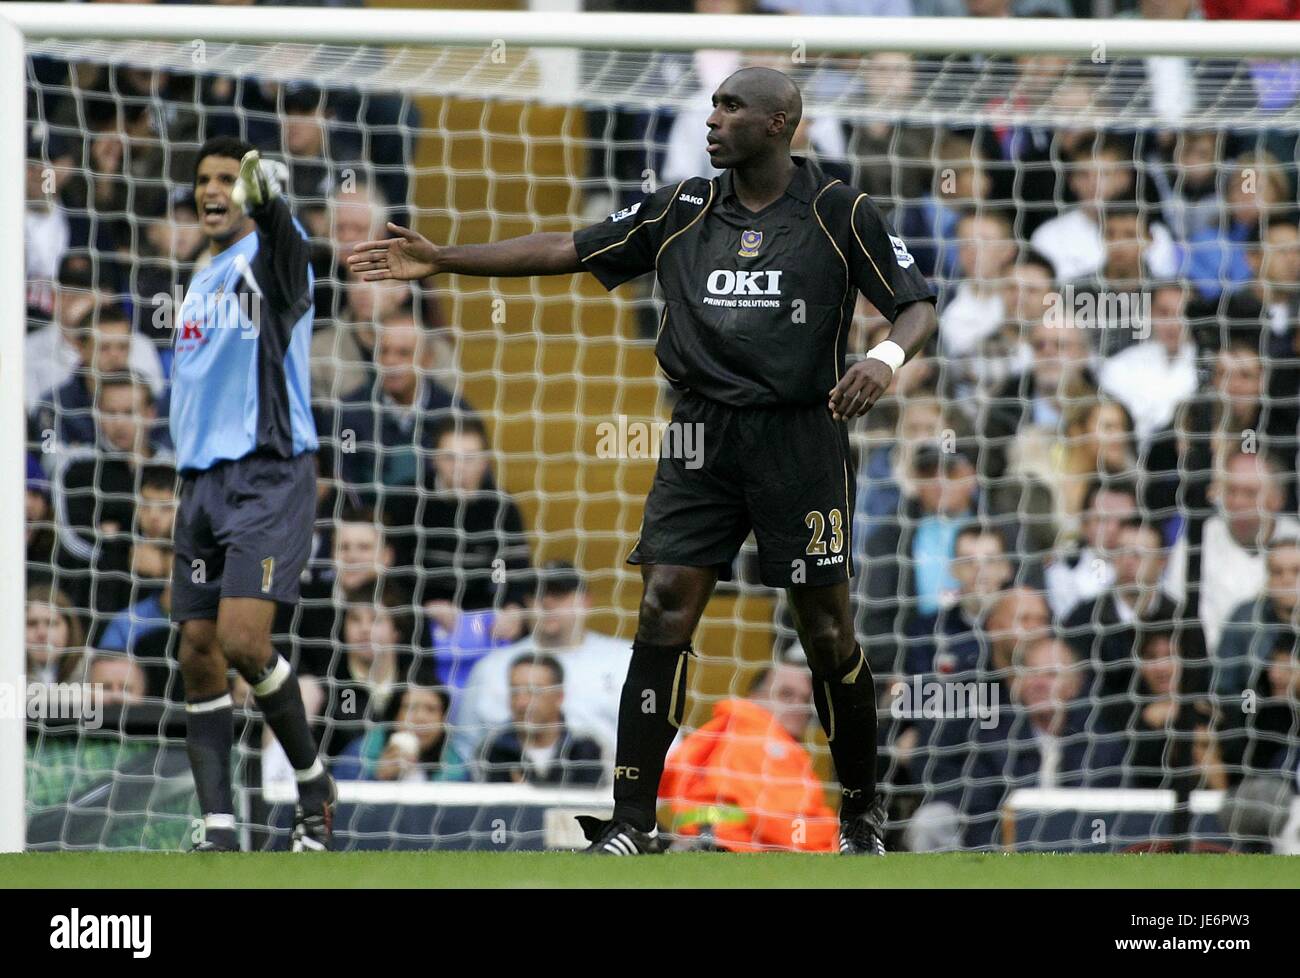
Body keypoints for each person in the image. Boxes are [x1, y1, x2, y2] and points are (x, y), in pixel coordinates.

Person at [349, 66, 938, 855]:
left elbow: (918, 300)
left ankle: (862, 817)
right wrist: (446, 258)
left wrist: (887, 357)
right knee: (663, 609)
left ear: (778, 123)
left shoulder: (839, 210)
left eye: (732, 106)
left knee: (827, 633)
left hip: (802, 440)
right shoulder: (683, 207)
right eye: (714, 103)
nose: (714, 117)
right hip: (700, 438)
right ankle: (630, 821)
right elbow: (566, 246)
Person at [168, 137, 334, 852]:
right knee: (198, 648)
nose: (213, 191)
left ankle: (314, 784)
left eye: (227, 181)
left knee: (243, 640)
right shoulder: (200, 279)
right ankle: (218, 829)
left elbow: (283, 240)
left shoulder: (272, 258)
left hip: (267, 474)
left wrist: (266, 197)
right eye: (203, 180)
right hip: (200, 485)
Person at [452, 560, 632, 763]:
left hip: (607, 789)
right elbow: (465, 746)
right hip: (509, 787)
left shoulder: (624, 659)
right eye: (538, 595)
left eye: (559, 594)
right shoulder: (490, 668)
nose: (547, 603)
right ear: (527, 603)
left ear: (585, 601)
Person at [660, 656, 839, 852]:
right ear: (755, 698)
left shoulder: (735, 735)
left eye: (805, 699)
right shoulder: (761, 741)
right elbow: (782, 824)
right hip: (730, 851)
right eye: (786, 695)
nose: (799, 706)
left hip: (716, 845)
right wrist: (836, 840)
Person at [480, 654, 605, 787]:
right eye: (515, 691)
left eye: (533, 691)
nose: (521, 702)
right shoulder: (490, 750)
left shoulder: (589, 749)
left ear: (559, 696)